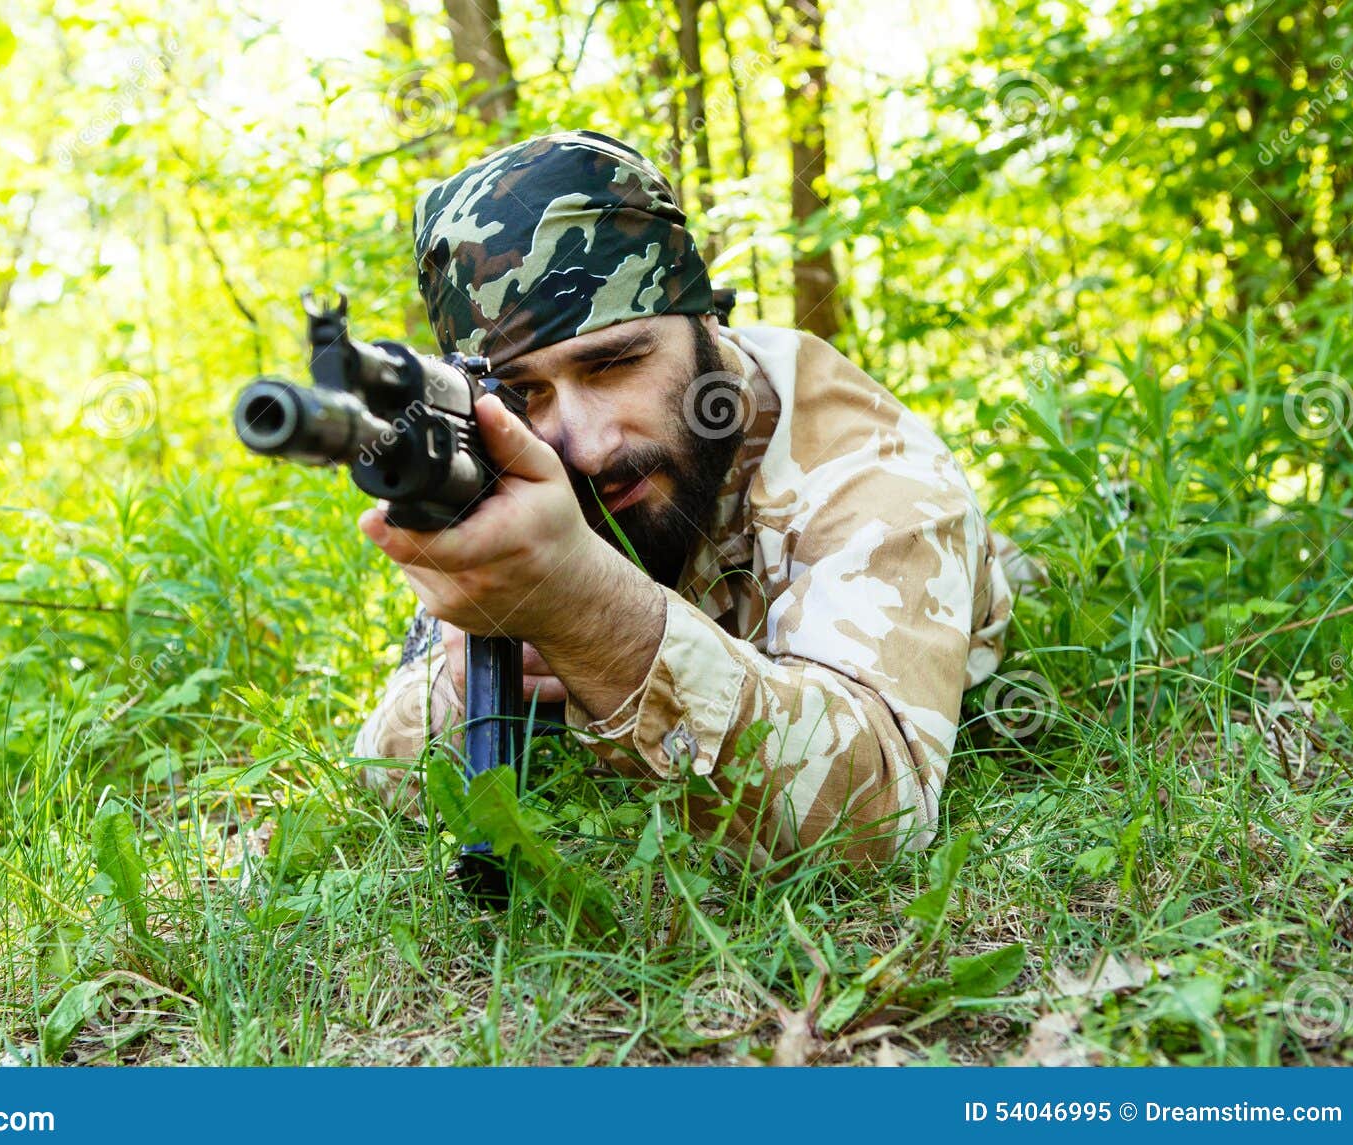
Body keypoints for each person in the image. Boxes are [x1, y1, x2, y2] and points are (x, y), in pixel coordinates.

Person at [352, 129, 1018, 870]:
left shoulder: (867, 468)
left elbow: (878, 819)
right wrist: (463, 682)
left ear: (705, 322)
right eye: (526, 391)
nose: (589, 446)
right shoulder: (516, 460)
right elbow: (378, 766)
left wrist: (586, 615)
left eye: (615, 363)